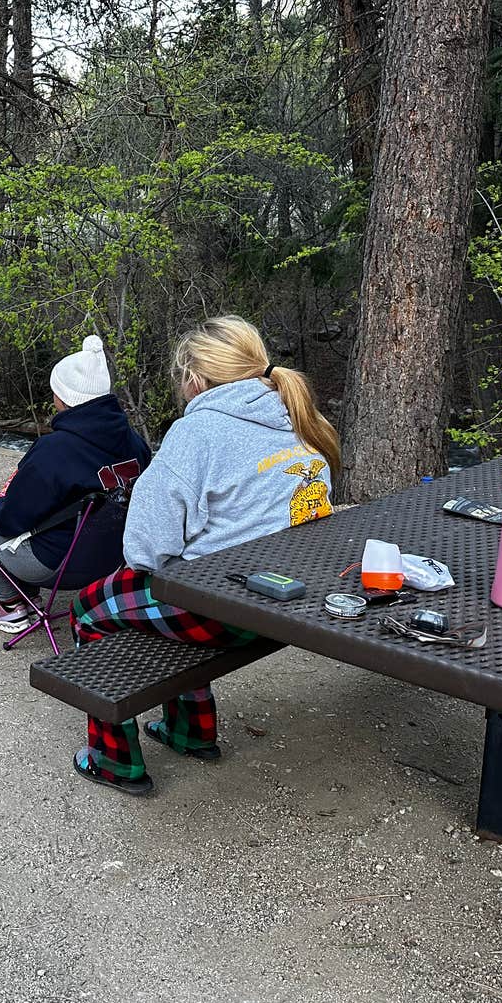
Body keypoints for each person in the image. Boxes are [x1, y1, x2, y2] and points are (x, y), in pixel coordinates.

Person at [69, 315, 340, 794]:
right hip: (286, 602)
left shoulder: (196, 434)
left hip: (225, 611)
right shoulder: (296, 418)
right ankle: (188, 732)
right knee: (189, 583)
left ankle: (114, 761)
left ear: (194, 379)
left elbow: (145, 550)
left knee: (91, 608)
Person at [0, 334, 152, 633]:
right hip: (114, 559)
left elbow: (10, 520)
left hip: (58, 566)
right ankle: (28, 598)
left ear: (64, 399)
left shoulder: (53, 451)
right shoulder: (136, 443)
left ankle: (12, 606)